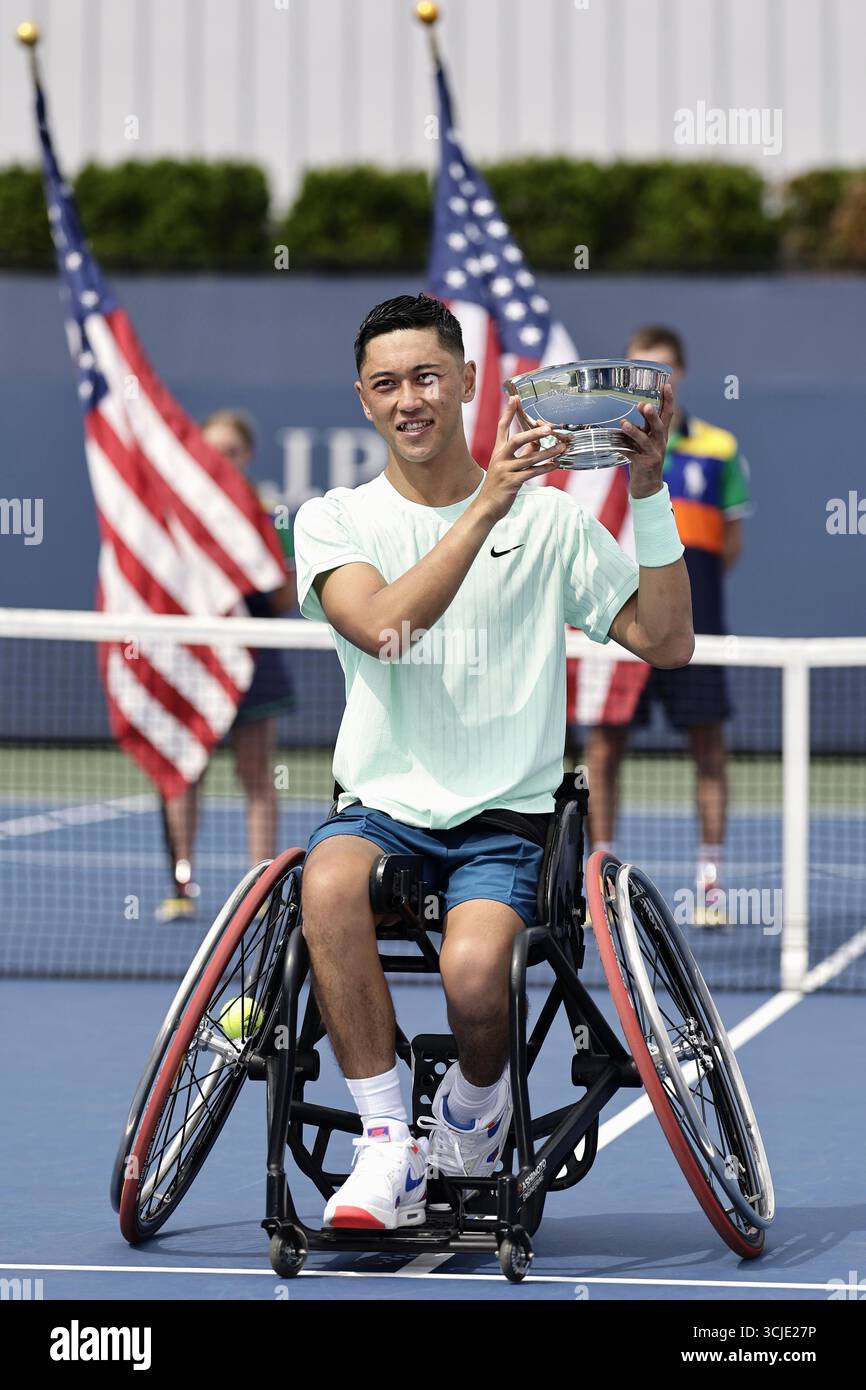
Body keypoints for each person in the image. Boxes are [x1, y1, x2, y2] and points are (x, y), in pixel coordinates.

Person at [292, 293, 693, 1230]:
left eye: (427, 376)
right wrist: (487, 506)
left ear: (468, 380)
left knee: (478, 977)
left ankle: (472, 1112)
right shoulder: (334, 519)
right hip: (381, 808)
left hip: (508, 818)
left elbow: (668, 642)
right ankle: (388, 1143)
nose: (410, 400)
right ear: (363, 400)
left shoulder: (550, 527)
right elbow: (386, 630)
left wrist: (648, 494)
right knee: (325, 880)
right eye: (386, 384)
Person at [578, 326, 751, 925]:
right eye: (639, 370)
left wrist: (681, 598)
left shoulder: (719, 448)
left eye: (662, 371)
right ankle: (601, 880)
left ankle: (709, 884)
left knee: (708, 746)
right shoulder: (600, 450)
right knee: (604, 748)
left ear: (678, 376)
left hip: (694, 630)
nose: (652, 382)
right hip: (622, 624)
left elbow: (728, 545)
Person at [157, 410, 297, 922]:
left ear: (248, 456)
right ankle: (181, 885)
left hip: (252, 657)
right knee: (186, 771)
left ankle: (258, 886)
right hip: (192, 660)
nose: (221, 460)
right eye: (211, 450)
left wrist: (246, 579)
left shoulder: (268, 514)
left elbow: (285, 592)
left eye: (231, 451)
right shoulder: (178, 515)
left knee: (256, 774)